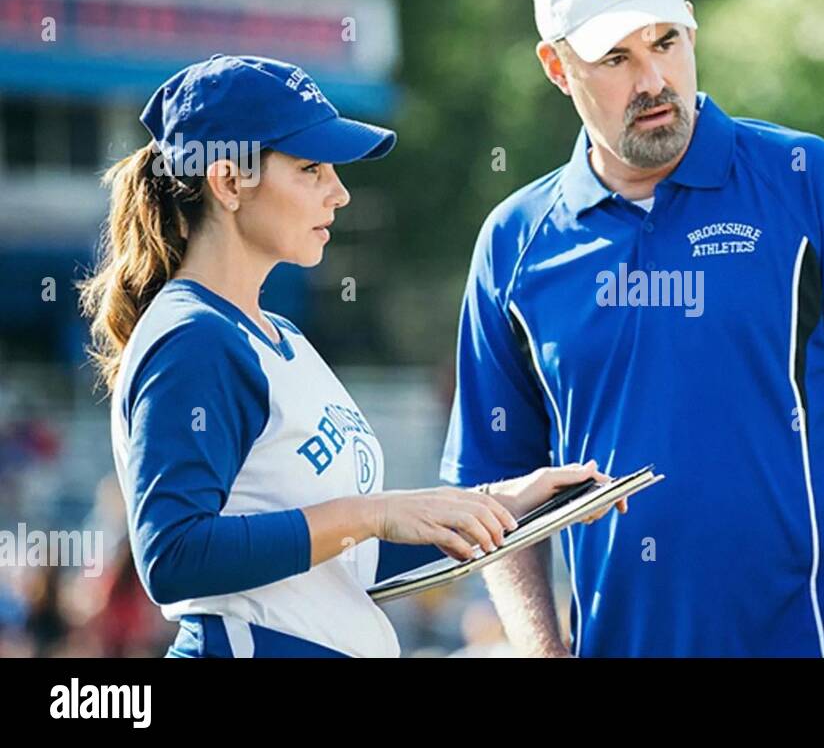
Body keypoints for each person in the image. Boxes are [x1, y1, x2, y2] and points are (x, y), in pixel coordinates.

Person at [441, 0, 824, 657]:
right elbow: (492, 482)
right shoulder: (513, 244)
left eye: (666, 42)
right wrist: (541, 649)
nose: (652, 80)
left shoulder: (806, 179)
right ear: (557, 66)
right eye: (616, 57)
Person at [80, 54, 609, 657]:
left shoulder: (276, 335)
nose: (339, 192)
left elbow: (337, 560)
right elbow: (173, 556)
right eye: (310, 168)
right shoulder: (194, 336)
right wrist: (369, 513)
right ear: (228, 182)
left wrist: (503, 504)